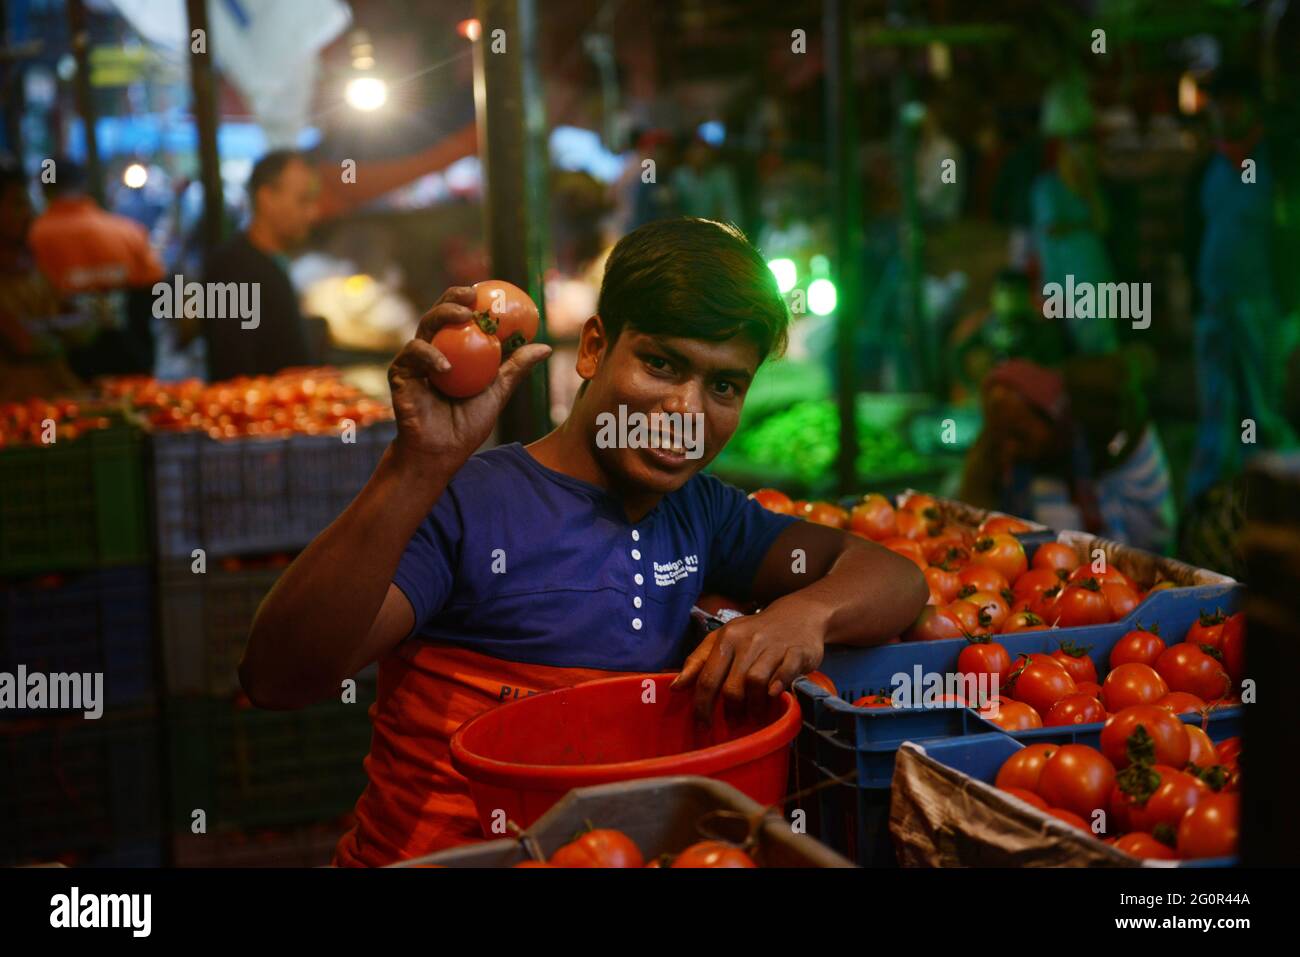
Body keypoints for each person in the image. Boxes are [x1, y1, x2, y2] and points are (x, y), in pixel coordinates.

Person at [239, 217, 930, 866]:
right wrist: (413, 466)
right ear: (594, 348)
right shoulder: (469, 501)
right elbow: (281, 677)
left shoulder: (703, 515)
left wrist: (806, 614)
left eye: (723, 384)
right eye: (661, 364)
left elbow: (893, 576)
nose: (685, 411)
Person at [27, 157, 165, 378]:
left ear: (43, 191)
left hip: (62, 377)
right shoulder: (128, 232)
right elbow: (156, 288)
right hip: (131, 367)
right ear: (84, 186)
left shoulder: (32, 238)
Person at [202, 150, 320, 380]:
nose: (313, 213)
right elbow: (233, 373)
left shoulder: (273, 262)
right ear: (266, 198)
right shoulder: (231, 268)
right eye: (303, 200)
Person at [0, 158, 83, 400]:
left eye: (28, 204)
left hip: (56, 407)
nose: (29, 214)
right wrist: (60, 328)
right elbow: (24, 342)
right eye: (17, 205)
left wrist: (47, 328)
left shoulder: (31, 267)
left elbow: (87, 327)